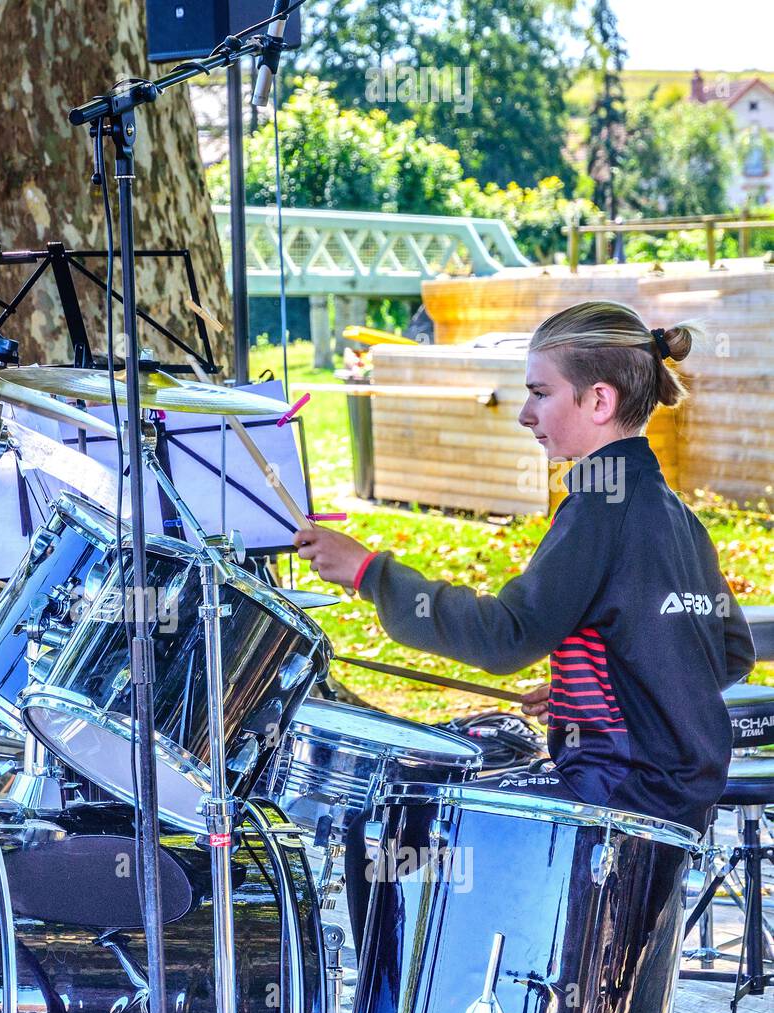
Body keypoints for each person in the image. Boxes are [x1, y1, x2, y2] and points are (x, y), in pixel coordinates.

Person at [295, 300, 756, 948]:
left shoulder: (598, 505)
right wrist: (598, 687)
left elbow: (506, 635)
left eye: (540, 393)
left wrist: (372, 572)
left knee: (388, 817)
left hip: (621, 795)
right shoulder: (672, 509)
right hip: (677, 793)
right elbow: (729, 650)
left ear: (599, 400)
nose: (524, 413)